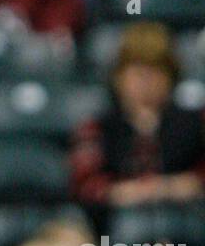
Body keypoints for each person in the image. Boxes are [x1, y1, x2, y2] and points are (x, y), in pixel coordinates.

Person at [70, 22, 205, 217]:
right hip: (111, 225)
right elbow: (83, 186)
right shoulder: (95, 128)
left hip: (185, 222)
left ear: (172, 77)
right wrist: (126, 192)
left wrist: (179, 185)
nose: (146, 82)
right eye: (138, 73)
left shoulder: (196, 123)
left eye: (156, 72)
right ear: (118, 77)